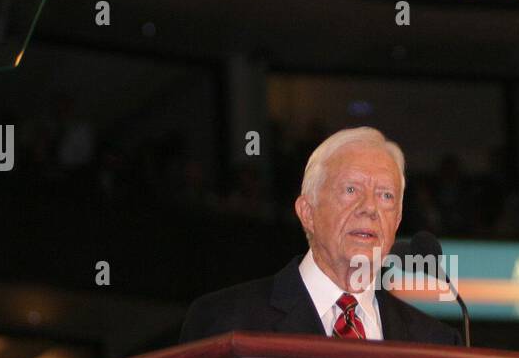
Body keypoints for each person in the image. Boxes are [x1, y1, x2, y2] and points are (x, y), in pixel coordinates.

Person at [180, 127, 460, 345]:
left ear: (397, 221)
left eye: (385, 195)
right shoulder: (225, 321)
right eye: (351, 190)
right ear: (307, 212)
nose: (370, 208)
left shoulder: (436, 342)